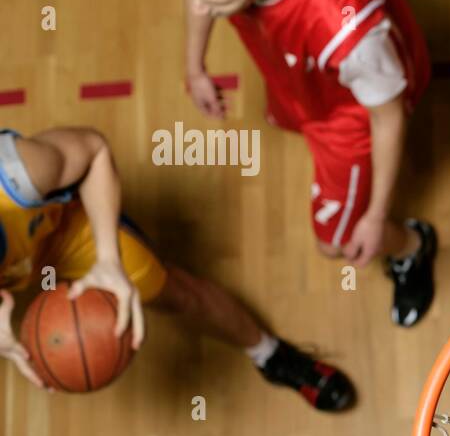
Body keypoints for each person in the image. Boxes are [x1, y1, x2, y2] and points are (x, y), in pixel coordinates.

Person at [170, 0, 438, 328]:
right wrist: (194, 66)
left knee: (336, 242)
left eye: (217, 4)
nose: (202, 8)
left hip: (348, 119)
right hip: (300, 81)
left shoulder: (348, 34)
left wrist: (374, 217)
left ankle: (412, 246)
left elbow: (388, 118)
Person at [0, 127, 354, 410]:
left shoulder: (17, 171)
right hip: (19, 256)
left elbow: (94, 151)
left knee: (180, 296)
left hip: (65, 232)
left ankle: (270, 354)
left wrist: (108, 259)